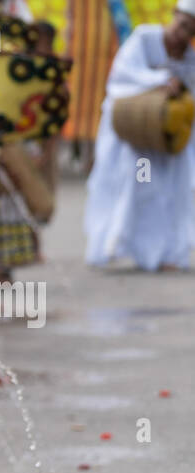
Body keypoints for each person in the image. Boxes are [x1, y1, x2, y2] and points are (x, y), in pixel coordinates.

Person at [84, 1, 195, 271]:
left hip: (166, 147)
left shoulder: (189, 58)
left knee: (168, 194)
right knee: (134, 186)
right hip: (131, 143)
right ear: (174, 17)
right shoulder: (144, 38)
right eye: (181, 25)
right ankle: (113, 244)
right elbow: (121, 77)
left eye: (190, 30)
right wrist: (157, 82)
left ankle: (163, 254)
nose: (182, 34)